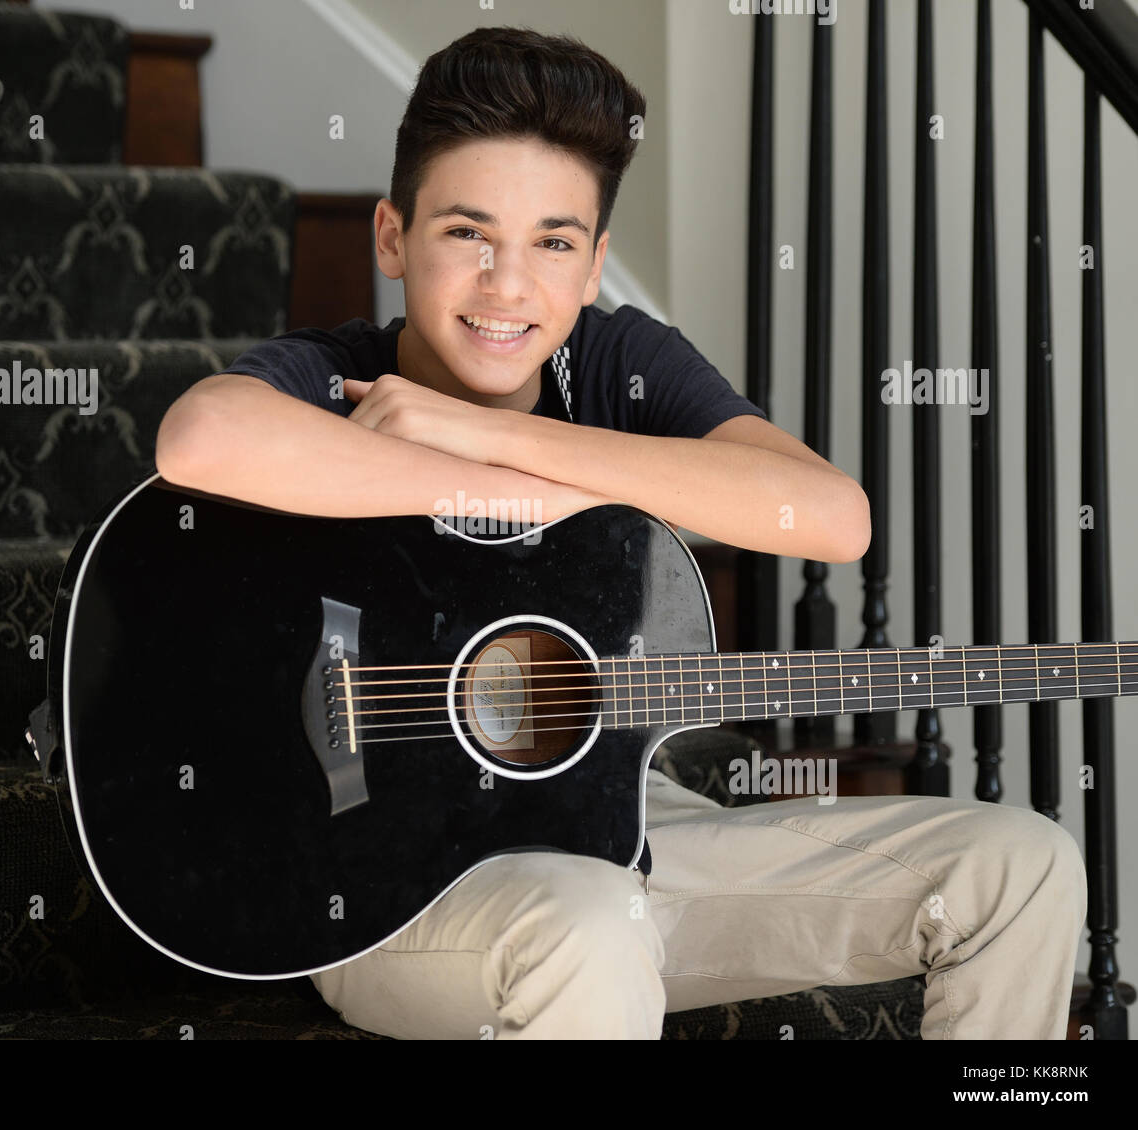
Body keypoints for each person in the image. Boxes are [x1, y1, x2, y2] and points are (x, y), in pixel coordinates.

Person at [154, 26, 1087, 1040]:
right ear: (391, 236)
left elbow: (830, 517)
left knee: (1020, 864)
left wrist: (495, 437)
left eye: (552, 242)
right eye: (468, 232)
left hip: (618, 831)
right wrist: (507, 486)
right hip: (385, 883)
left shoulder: (612, 365)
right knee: (594, 922)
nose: (508, 285)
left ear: (596, 261)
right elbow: (201, 436)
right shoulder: (333, 370)